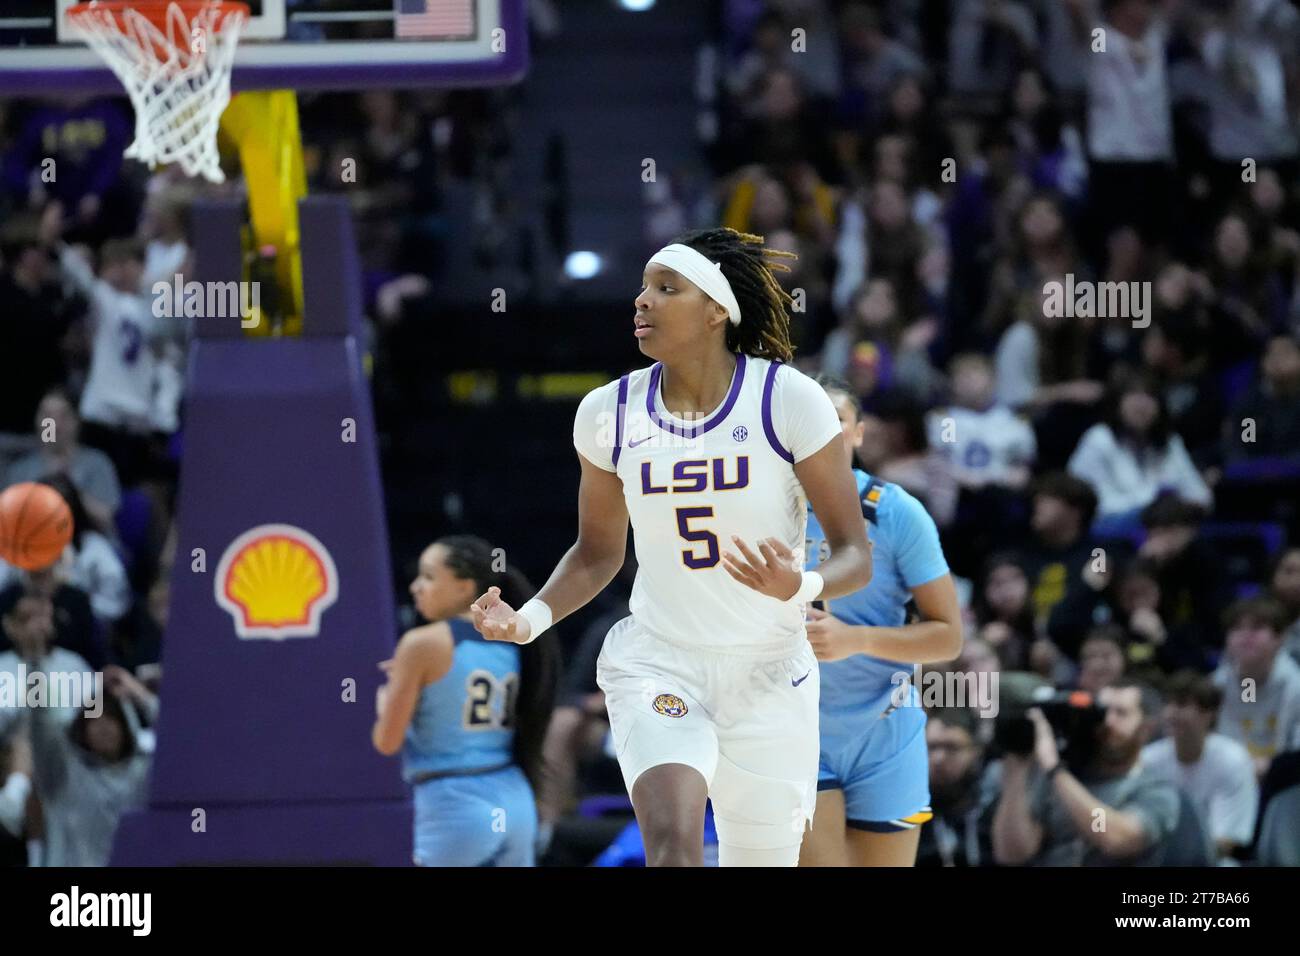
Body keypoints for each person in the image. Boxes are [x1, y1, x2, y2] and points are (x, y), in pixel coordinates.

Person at [471, 228, 873, 867]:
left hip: (770, 673)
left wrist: (800, 585)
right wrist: (532, 618)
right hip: (661, 662)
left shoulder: (787, 399)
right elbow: (598, 553)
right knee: (672, 850)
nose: (642, 301)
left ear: (717, 310)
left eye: (666, 288)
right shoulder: (609, 412)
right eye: (642, 288)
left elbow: (856, 553)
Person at [797, 375, 961, 866]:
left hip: (886, 730)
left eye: (837, 421)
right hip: (797, 725)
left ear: (859, 433)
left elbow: (949, 637)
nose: (824, 432)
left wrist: (855, 639)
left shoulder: (898, 513)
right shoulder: (763, 509)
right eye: (810, 421)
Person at [371, 536, 558, 866]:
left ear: (464, 587)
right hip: (515, 798)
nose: (416, 586)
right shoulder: (511, 638)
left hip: (455, 803)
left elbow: (387, 742)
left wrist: (386, 696)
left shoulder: (421, 643)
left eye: (428, 576)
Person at [992, 676, 1181, 866]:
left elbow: (1112, 838)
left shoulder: (1155, 790)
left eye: (1121, 713)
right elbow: (1013, 853)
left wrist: (1055, 770)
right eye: (1102, 710)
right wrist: (1019, 768)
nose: (1108, 721)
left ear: (1146, 728)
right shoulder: (1057, 777)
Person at [1140, 670, 1257, 865]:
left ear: (1208, 715)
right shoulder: (1148, 759)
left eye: (1181, 705)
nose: (1170, 713)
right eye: (1167, 704)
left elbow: (1226, 841)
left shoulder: (1233, 760)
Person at [1212, 596, 1300, 778]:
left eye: (1257, 628)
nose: (1246, 636)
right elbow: (1249, 713)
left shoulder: (1294, 684)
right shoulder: (1224, 684)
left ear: (1279, 638)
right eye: (1237, 628)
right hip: (1233, 775)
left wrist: (1269, 767)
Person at [916, 706, 999, 867]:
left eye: (951, 747)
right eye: (931, 748)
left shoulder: (992, 803)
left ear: (976, 751)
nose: (938, 759)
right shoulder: (911, 810)